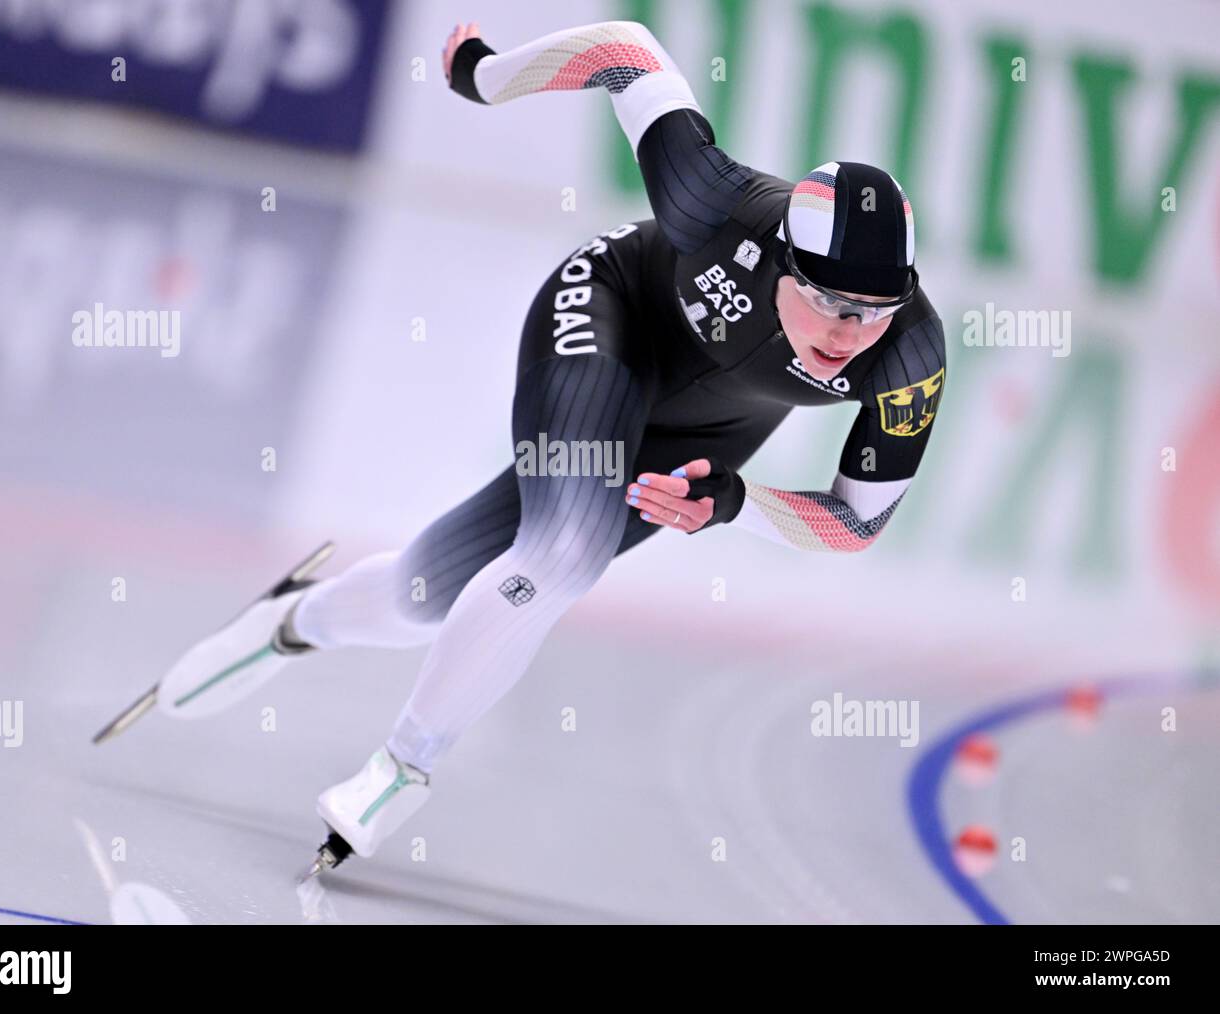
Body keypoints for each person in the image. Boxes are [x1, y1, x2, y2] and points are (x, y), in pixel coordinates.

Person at [144, 19, 945, 872]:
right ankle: (401, 771)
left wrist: (734, 505)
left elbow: (857, 525)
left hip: (704, 436)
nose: (850, 333)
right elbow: (627, 54)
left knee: (420, 597)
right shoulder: (713, 202)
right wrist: (485, 76)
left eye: (875, 310)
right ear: (783, 261)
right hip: (608, 316)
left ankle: (290, 621)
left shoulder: (908, 359)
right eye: (829, 302)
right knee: (562, 552)